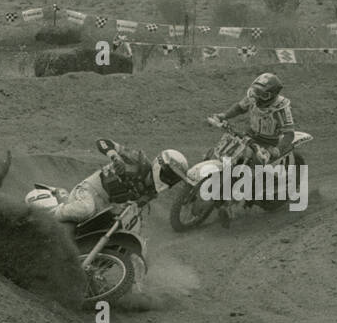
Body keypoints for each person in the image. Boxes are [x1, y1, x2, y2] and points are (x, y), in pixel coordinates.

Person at [30, 141, 189, 224]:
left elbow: (134, 209)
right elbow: (103, 142)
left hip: (105, 210)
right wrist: (115, 157)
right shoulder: (138, 160)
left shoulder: (151, 193)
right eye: (170, 175)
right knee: (85, 209)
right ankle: (46, 215)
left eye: (174, 179)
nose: (170, 180)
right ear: (161, 165)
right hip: (90, 191)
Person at [209, 72, 295, 165]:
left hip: (269, 142)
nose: (258, 97)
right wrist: (224, 115)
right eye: (256, 91)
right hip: (249, 135)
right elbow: (240, 108)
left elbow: (289, 134)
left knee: (255, 163)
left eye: (263, 95)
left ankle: (260, 178)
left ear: (273, 95)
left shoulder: (280, 108)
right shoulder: (254, 98)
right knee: (225, 151)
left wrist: (277, 150)